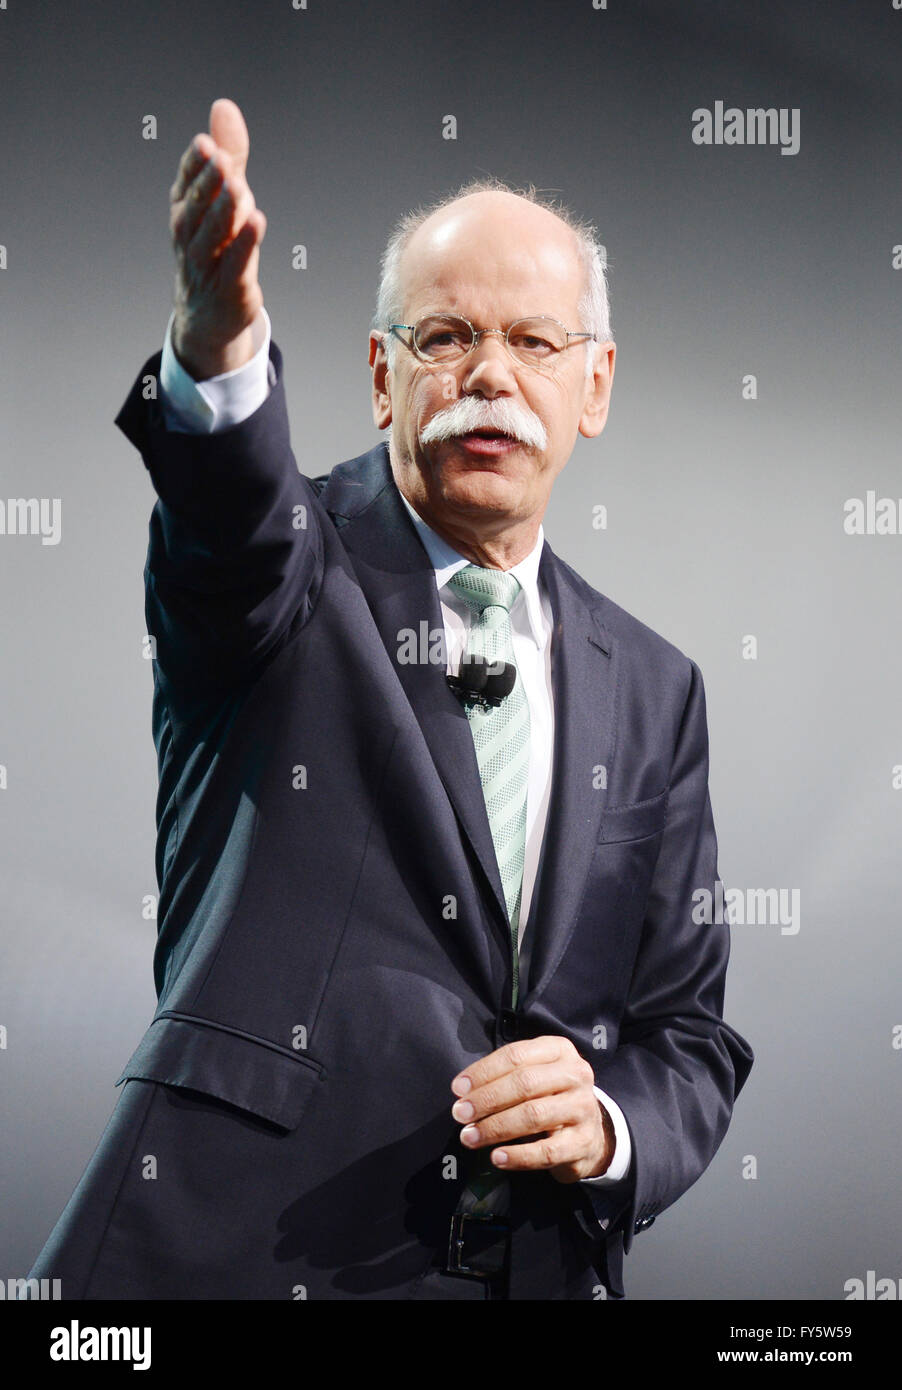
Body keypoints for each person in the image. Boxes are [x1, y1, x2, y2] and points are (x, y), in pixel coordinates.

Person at [27, 98, 753, 1300]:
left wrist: (609, 1125)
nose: (488, 375)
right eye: (443, 337)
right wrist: (217, 358)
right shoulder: (291, 568)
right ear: (378, 373)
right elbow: (227, 523)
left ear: (596, 385)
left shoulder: (659, 687)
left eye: (534, 342)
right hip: (230, 1259)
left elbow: (688, 1035)